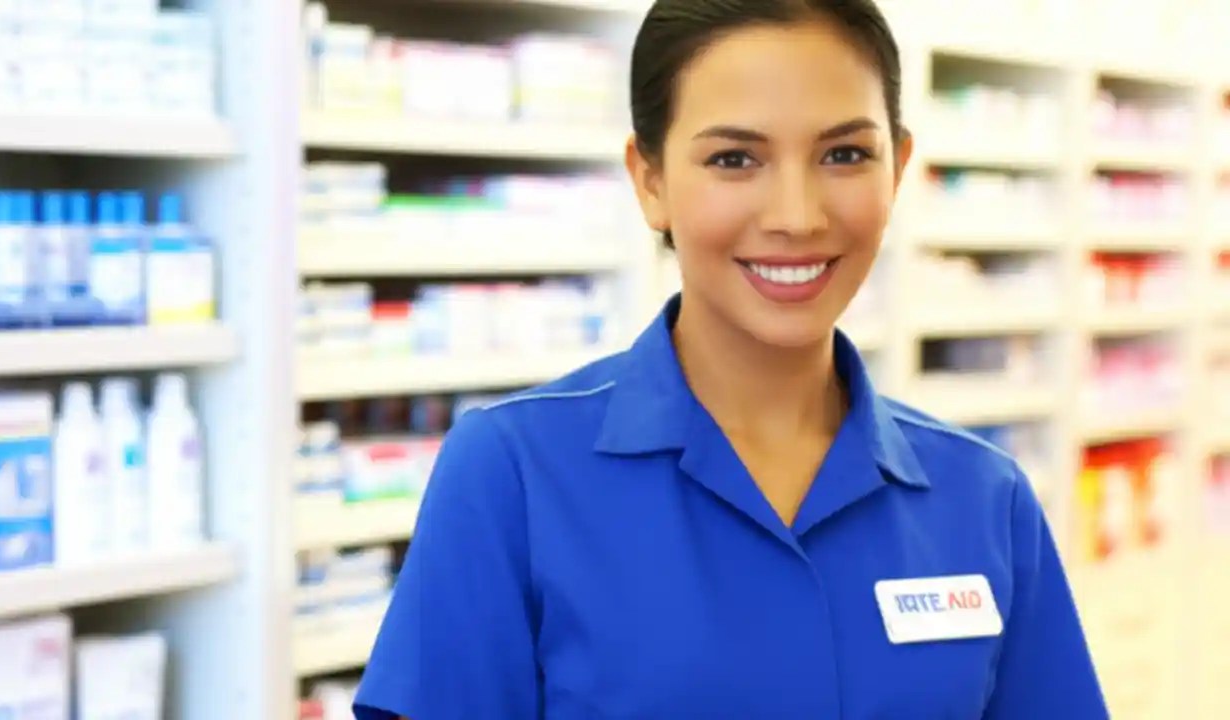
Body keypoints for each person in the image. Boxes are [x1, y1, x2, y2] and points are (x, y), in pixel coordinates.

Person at [354, 0, 1109, 717]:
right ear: (650, 180)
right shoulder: (514, 474)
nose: (796, 216)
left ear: (898, 167)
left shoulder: (985, 501)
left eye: (845, 154)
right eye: (735, 158)